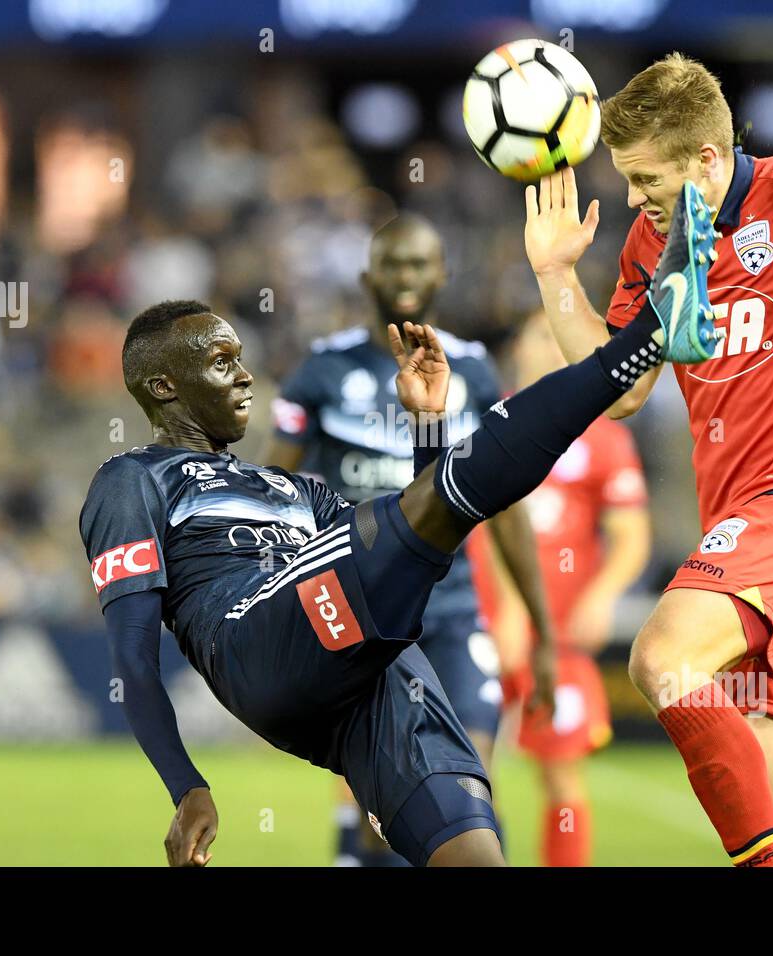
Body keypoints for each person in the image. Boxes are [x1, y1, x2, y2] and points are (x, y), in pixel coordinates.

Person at [75, 182, 717, 866]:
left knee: (472, 846)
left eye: (241, 358)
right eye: (221, 361)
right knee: (415, 519)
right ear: (165, 386)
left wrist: (430, 426)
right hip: (256, 640)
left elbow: (418, 540)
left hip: (356, 677)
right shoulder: (132, 479)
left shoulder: (291, 490)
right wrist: (186, 785)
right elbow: (133, 654)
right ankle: (650, 335)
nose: (245, 377)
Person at [522, 52, 773, 866]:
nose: (634, 199)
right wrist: (555, 275)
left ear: (707, 160)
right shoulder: (654, 237)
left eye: (646, 178)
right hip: (745, 525)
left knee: (662, 655)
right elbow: (621, 391)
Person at [264, 214, 556, 866]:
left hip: (450, 614)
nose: (405, 277)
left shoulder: (474, 373)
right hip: (363, 616)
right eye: (392, 264)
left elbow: (505, 511)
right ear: (368, 276)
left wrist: (543, 631)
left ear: (442, 274)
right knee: (385, 816)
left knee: (467, 790)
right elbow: (275, 495)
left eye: (418, 264)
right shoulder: (321, 370)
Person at [473, 308, 652, 866]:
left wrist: (602, 596)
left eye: (561, 336)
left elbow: (631, 534)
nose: (551, 346)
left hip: (559, 635)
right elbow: (479, 517)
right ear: (517, 349)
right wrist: (505, 611)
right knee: (468, 778)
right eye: (540, 335)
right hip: (479, 626)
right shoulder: (486, 420)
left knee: (563, 776)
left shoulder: (602, 435)